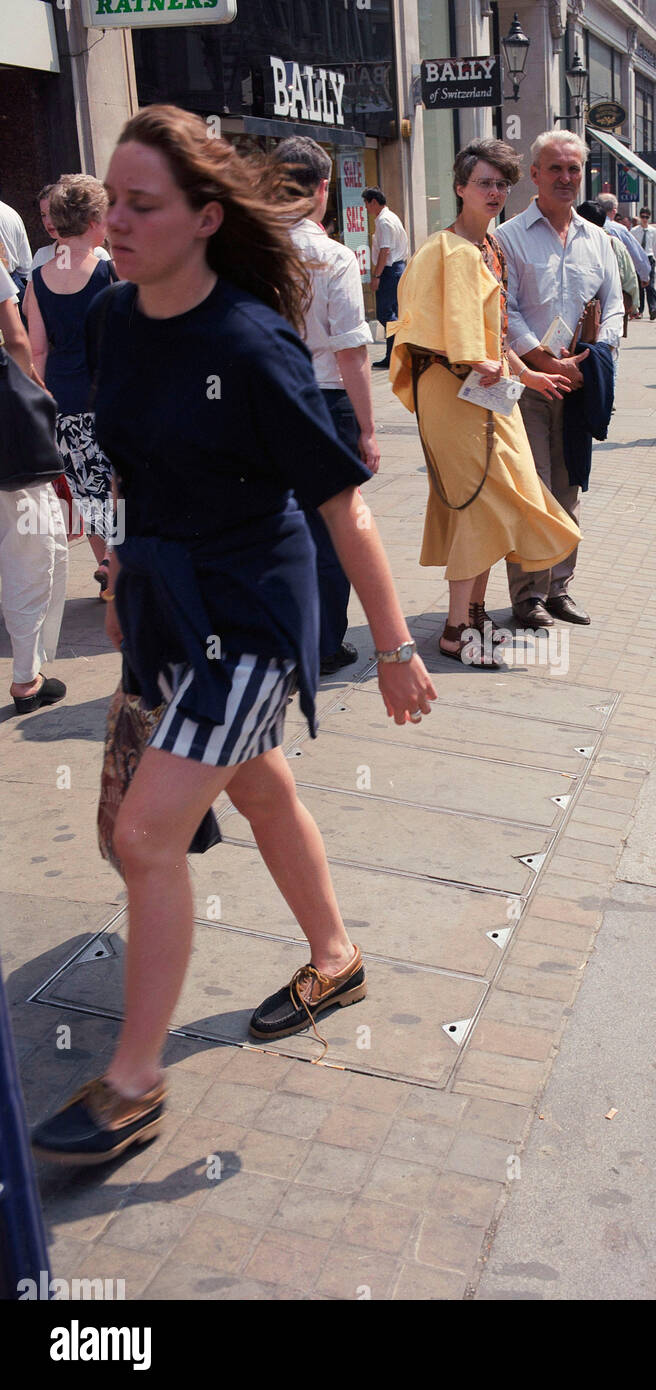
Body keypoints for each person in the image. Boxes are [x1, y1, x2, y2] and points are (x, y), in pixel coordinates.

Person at [29, 105, 437, 1166]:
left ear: (208, 218)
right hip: (168, 596)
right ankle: (335, 954)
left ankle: (133, 1083)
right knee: (256, 783)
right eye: (110, 199)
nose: (114, 220)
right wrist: (117, 565)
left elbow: (342, 504)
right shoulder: (114, 317)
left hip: (252, 611)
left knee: (146, 835)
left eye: (142, 204)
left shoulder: (251, 345)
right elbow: (122, 461)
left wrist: (392, 650)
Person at [389, 139, 579, 668]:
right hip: (450, 393)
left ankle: (474, 614)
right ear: (459, 188)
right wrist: (473, 361)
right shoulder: (439, 249)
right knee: (479, 499)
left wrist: (529, 374)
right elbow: (420, 331)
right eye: (483, 183)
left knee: (505, 498)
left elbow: (494, 336)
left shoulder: (489, 248)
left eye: (501, 184)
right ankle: (456, 629)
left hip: (491, 393)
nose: (494, 192)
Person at [496, 130, 622, 631]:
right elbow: (505, 311)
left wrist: (592, 354)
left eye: (574, 169)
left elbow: (614, 307)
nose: (566, 178)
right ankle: (527, 596)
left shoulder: (599, 241)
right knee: (532, 489)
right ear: (535, 176)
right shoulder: (509, 237)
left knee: (568, 488)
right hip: (527, 382)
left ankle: (559, 589)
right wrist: (542, 359)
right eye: (555, 169)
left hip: (578, 383)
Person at [272, 136, 379, 676]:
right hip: (325, 401)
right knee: (332, 528)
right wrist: (369, 428)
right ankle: (324, 644)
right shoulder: (334, 257)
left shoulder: (252, 253)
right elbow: (352, 351)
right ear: (322, 188)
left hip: (265, 404)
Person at [24, 174, 118, 597]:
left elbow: (36, 354)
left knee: (89, 494)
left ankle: (110, 568)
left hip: (64, 404)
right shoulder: (109, 273)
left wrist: (44, 405)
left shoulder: (38, 281)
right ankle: (120, 566)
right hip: (113, 402)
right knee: (123, 488)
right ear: (94, 219)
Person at [0, 263, 69, 715]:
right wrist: (33, 390)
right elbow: (17, 338)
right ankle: (26, 677)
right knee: (31, 547)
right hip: (8, 445)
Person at [362, 186, 408, 369]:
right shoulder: (390, 217)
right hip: (395, 269)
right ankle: (395, 355)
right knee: (392, 314)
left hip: (390, 271)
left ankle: (396, 355)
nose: (366, 208)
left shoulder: (384, 221)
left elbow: (385, 250)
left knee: (385, 314)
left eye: (366, 203)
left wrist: (377, 275)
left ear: (373, 202)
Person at [579, 199, 637, 338]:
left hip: (580, 318)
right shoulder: (614, 243)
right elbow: (630, 279)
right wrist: (634, 306)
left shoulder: (574, 242)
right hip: (610, 316)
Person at [31, 183, 112, 269]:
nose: (48, 221)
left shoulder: (98, 254)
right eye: (43, 215)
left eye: (53, 213)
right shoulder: (41, 255)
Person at [596, 192, 650, 306]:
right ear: (614, 211)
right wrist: (644, 275)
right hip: (615, 282)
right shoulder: (619, 230)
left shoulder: (587, 226)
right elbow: (636, 254)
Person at [631, 206, 656, 319]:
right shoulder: (634, 231)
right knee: (639, 285)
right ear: (640, 217)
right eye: (643, 217)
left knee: (650, 285)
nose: (644, 219)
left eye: (647, 217)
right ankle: (640, 310)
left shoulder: (652, 231)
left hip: (649, 258)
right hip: (638, 258)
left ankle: (653, 309)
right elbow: (632, 246)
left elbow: (655, 245)